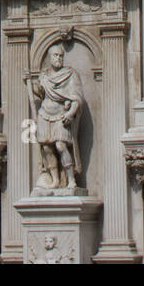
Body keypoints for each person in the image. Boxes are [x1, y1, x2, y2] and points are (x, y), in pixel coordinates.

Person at [26, 43, 84, 191]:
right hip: (44, 114)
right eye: (55, 55)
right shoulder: (44, 76)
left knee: (60, 145)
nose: (59, 58)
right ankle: (56, 180)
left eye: (61, 56)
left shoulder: (70, 74)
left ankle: (71, 180)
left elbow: (77, 98)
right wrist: (28, 83)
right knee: (46, 148)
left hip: (61, 115)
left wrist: (70, 113)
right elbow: (40, 92)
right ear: (49, 58)